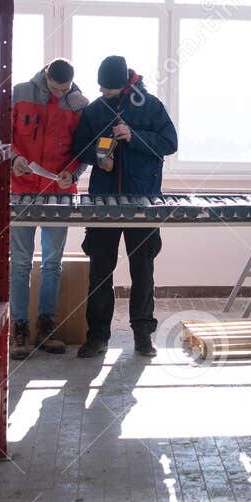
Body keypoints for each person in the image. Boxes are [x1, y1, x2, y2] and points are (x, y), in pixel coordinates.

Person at [70, 54, 178, 358]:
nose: (103, 92)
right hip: (103, 201)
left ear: (124, 84)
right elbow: (79, 147)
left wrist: (134, 136)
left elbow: (169, 143)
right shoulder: (95, 110)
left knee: (142, 269)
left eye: (108, 88)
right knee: (100, 270)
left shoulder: (151, 106)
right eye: (101, 87)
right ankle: (97, 337)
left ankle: (143, 336)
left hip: (143, 201)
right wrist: (98, 157)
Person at [8, 58, 87, 360]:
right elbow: (0, 137)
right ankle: (19, 329)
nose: (60, 94)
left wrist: (73, 174)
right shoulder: (20, 93)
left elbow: (84, 148)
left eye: (65, 89)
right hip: (22, 190)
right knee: (20, 263)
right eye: (55, 88)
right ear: (45, 76)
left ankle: (46, 327)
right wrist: (14, 158)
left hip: (59, 192)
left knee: (53, 263)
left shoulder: (78, 104)